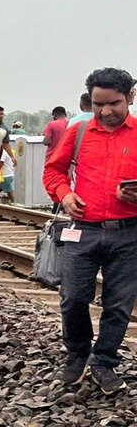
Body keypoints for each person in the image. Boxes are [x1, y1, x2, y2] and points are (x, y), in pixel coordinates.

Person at [42, 67, 137, 396]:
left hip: (129, 234)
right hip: (82, 230)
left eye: (114, 103)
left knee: (119, 304)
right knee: (72, 298)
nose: (106, 111)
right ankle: (78, 354)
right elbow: (53, 171)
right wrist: (64, 195)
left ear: (130, 98)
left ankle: (104, 361)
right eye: (99, 104)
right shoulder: (80, 132)